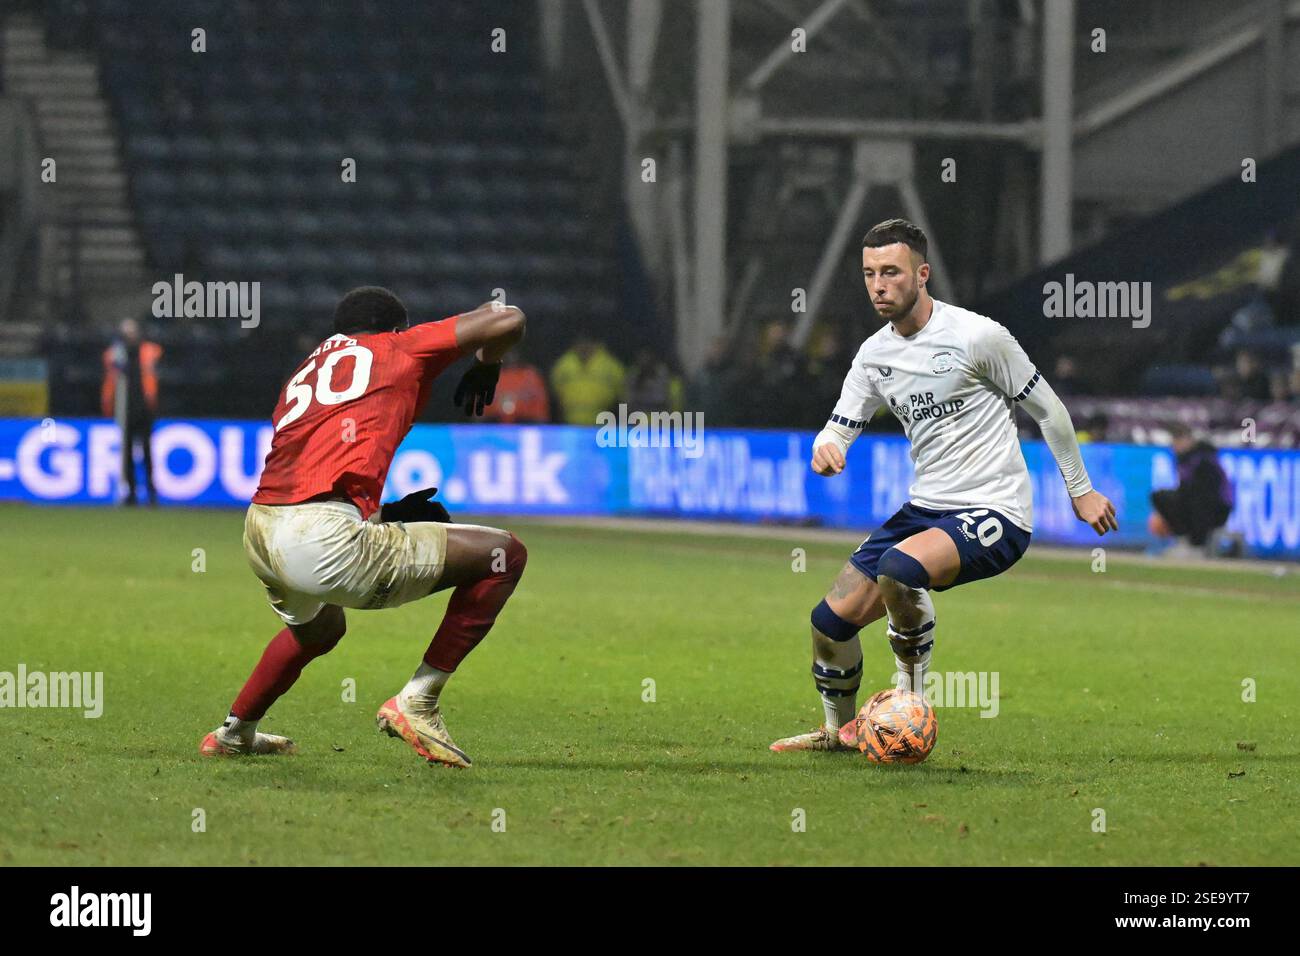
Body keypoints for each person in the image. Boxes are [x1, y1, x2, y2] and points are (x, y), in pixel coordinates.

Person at [770, 218, 1117, 753]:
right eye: (869, 274)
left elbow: (1049, 411)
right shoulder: (874, 355)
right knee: (828, 624)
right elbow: (839, 427)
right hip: (924, 509)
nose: (879, 285)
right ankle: (837, 733)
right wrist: (828, 447)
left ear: (922, 273)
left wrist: (1080, 489)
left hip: (995, 512)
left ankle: (910, 703)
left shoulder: (978, 336)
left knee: (900, 572)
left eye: (891, 272)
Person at [199, 288, 528, 768]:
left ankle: (235, 732)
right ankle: (418, 700)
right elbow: (507, 318)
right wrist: (486, 362)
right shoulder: (399, 346)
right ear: (396, 328)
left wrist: (388, 514)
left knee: (320, 630)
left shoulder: (307, 370)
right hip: (320, 536)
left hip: (262, 528)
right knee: (506, 555)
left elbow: (319, 468)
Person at [101, 318, 162, 506]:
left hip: (144, 408)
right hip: (125, 409)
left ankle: (151, 492)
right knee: (126, 453)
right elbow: (110, 377)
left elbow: (156, 360)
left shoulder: (149, 351)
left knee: (146, 451)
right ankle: (131, 493)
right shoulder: (115, 355)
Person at [1148, 422, 1233, 554]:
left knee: (1197, 501)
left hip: (1217, 507)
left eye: (1177, 440)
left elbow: (1207, 494)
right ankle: (1185, 539)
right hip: (1199, 503)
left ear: (1188, 440)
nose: (1174, 445)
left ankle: (1196, 544)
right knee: (1161, 497)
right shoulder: (1185, 459)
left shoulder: (1202, 459)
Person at [550, 336, 625, 425]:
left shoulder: (612, 367)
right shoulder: (562, 366)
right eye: (581, 343)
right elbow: (555, 392)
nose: (584, 346)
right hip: (569, 423)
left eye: (588, 343)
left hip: (603, 425)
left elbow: (622, 396)